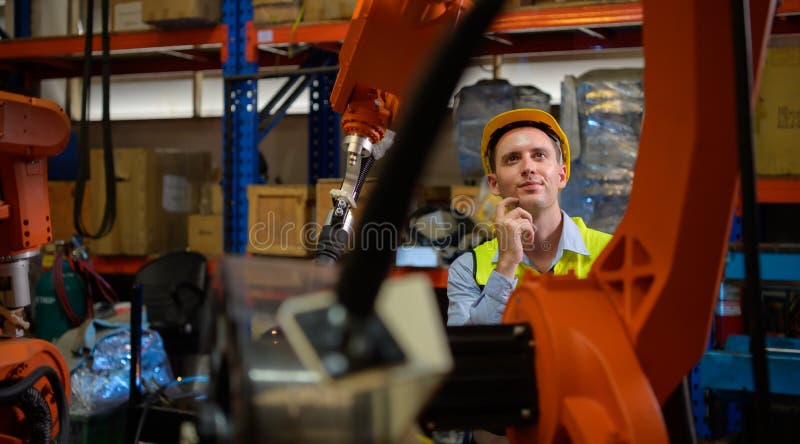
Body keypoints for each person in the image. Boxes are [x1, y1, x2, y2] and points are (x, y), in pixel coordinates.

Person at [447, 109, 613, 327]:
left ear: (561, 175)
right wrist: (506, 265)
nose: (528, 168)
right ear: (494, 183)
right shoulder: (468, 268)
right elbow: (469, 354)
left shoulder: (611, 253)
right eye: (513, 159)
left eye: (539, 155)